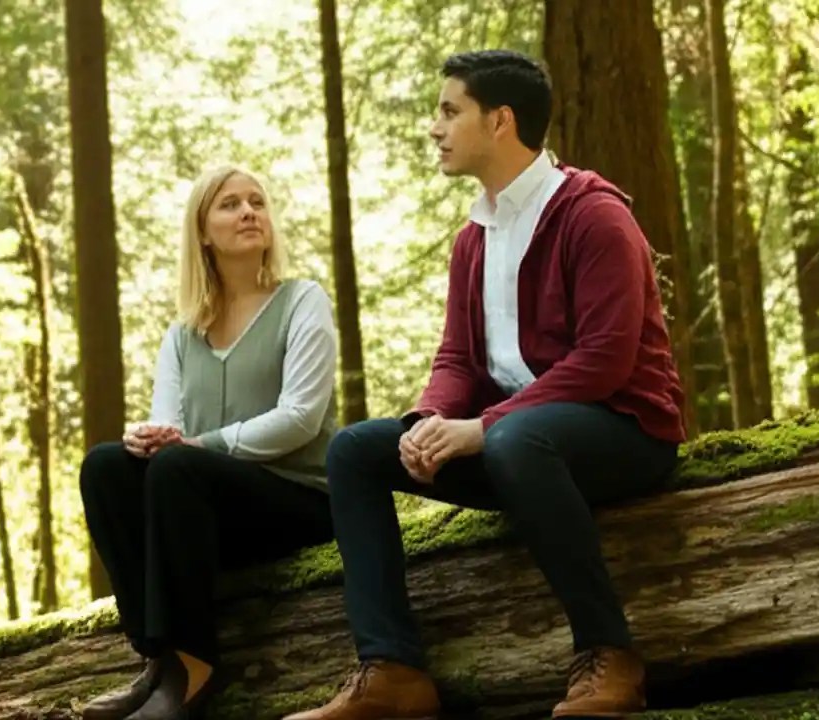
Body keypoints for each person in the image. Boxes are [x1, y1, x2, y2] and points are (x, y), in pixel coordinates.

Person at [284, 50, 687, 720]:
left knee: (518, 442)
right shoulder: (473, 238)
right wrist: (429, 422)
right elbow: (459, 360)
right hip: (515, 443)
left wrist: (484, 428)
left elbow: (606, 360)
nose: (434, 127)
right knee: (355, 450)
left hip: (623, 431)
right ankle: (393, 672)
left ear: (500, 120)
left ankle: (611, 656)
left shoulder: (593, 216)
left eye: (450, 111)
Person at [78, 165, 340, 720]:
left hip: (299, 502)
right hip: (204, 507)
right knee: (106, 465)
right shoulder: (183, 332)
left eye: (256, 202)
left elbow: (300, 417)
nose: (248, 212)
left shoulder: (302, 301)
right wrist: (145, 438)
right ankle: (160, 657)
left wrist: (198, 445)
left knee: (179, 468)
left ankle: (197, 669)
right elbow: (168, 426)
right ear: (202, 231)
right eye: (229, 204)